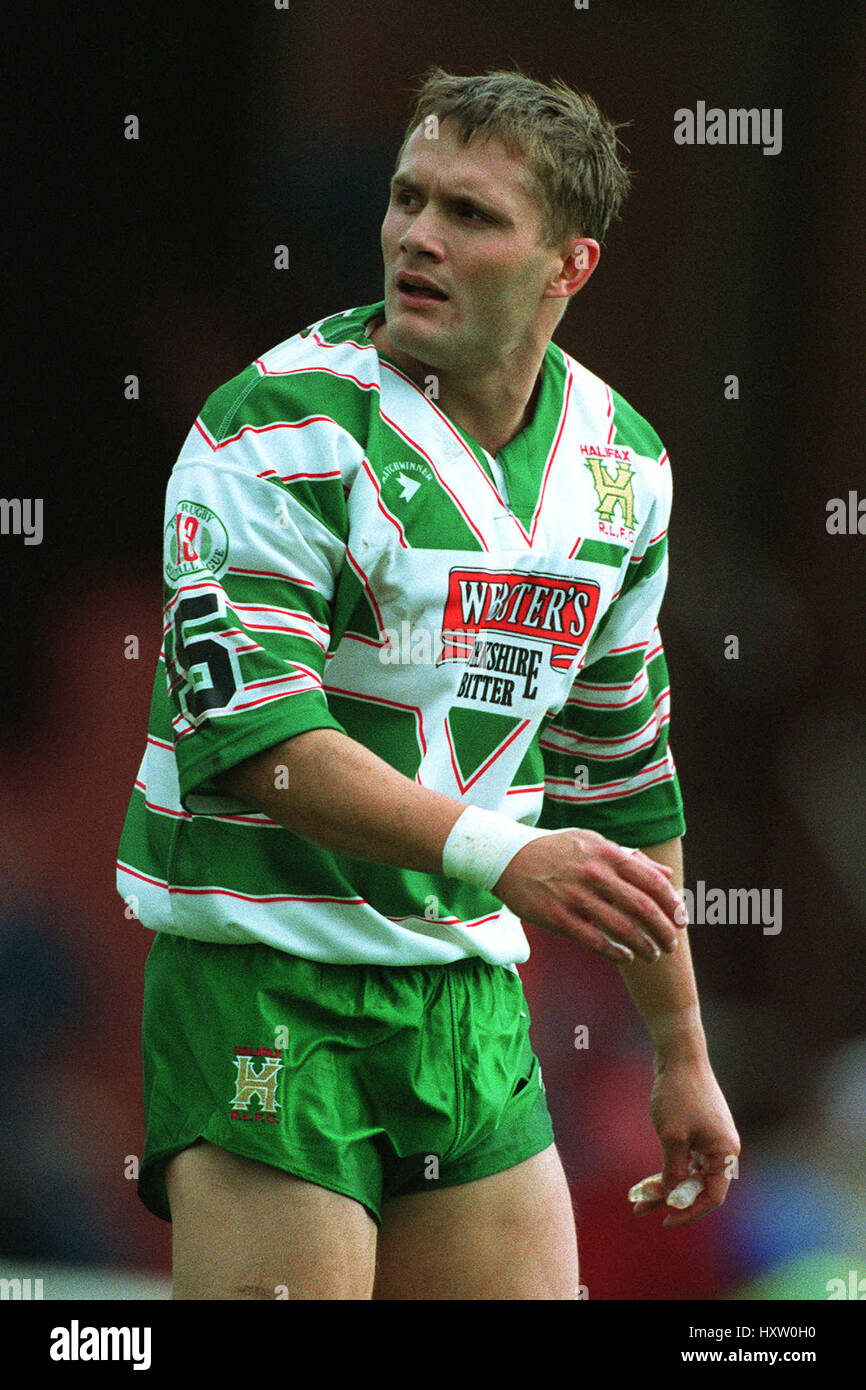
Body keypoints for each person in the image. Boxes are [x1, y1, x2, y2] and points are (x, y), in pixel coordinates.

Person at [117, 66, 739, 1300]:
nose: (418, 236)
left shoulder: (621, 468)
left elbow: (623, 775)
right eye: (409, 199)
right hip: (264, 962)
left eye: (470, 213)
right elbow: (258, 745)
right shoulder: (276, 428)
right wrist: (505, 854)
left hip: (461, 987)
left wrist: (679, 1047)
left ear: (570, 264)